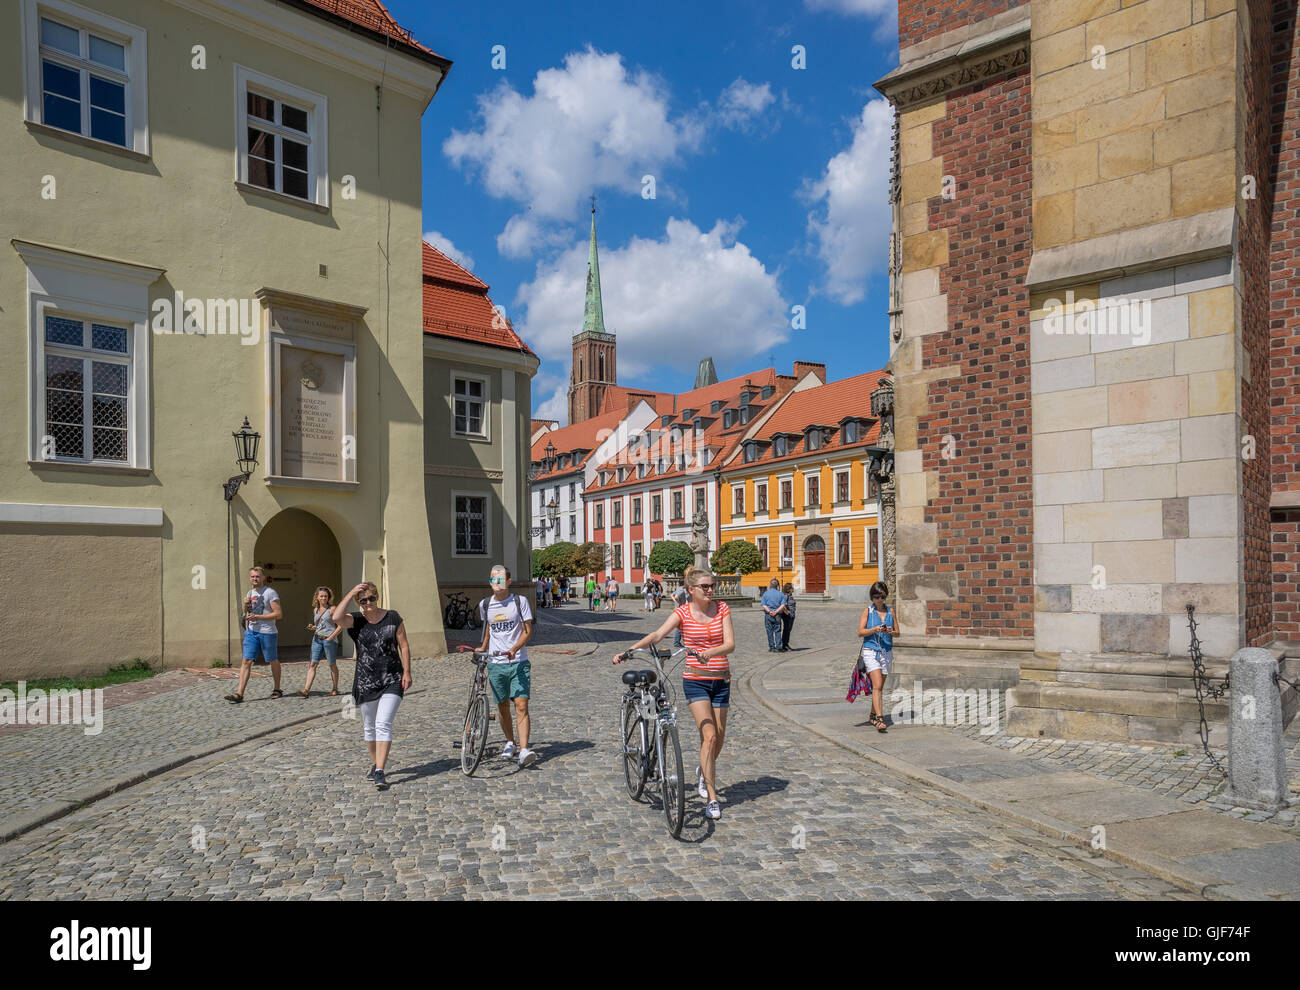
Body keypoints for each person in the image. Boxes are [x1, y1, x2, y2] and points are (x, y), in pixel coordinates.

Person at [614, 565, 734, 822]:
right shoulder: (682, 613)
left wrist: (709, 653)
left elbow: (729, 644)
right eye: (705, 586)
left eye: (712, 585)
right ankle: (712, 797)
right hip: (696, 680)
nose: (710, 589)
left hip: (721, 679)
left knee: (719, 738)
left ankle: (704, 771)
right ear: (690, 590)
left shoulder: (722, 608)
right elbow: (657, 635)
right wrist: (629, 650)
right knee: (709, 736)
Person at [332, 581, 412, 790]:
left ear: (378, 597)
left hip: (392, 679)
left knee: (383, 723)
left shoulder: (393, 617)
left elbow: (403, 645)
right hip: (366, 681)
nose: (368, 603)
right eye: (364, 600)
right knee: (369, 727)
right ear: (359, 602)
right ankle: (375, 762)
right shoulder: (356, 620)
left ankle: (379, 770)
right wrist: (352, 592)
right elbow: (336, 617)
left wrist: (407, 671)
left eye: (371, 598)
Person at [477, 565, 537, 767]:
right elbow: (488, 630)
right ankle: (510, 742)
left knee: (521, 705)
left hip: (518, 662)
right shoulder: (485, 605)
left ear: (509, 581)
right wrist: (483, 647)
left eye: (500, 579)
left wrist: (514, 648)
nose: (497, 583)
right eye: (493, 579)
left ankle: (524, 749)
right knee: (502, 706)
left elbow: (527, 631)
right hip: (496, 664)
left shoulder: (520, 602)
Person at [225, 566, 283, 703]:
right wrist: (245, 605)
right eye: (252, 576)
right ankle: (239, 694)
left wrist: (258, 617)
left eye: (257, 576)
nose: (255, 579)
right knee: (246, 661)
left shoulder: (270, 593)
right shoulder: (250, 593)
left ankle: (277, 688)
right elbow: (247, 613)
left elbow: (279, 614)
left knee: (272, 660)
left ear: (263, 577)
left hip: (268, 632)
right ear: (250, 578)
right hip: (251, 632)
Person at [858, 581, 899, 733]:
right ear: (872, 597)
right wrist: (875, 629)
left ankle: (873, 714)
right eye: (876, 597)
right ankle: (880, 720)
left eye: (882, 597)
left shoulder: (890, 611)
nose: (880, 600)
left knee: (879, 686)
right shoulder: (867, 611)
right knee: (877, 686)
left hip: (886, 652)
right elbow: (860, 632)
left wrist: (890, 631)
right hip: (871, 652)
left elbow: (898, 632)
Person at [299, 586, 342, 697]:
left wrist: (331, 637)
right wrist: (313, 627)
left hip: (329, 640)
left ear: (329, 597)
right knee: (313, 664)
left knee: (332, 664)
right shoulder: (315, 610)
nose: (323, 598)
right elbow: (320, 626)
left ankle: (335, 689)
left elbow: (341, 625)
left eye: (325, 596)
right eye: (321, 596)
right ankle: (306, 690)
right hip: (317, 639)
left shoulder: (332, 609)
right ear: (317, 597)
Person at [760, 578, 787, 652]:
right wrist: (776, 611)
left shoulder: (766, 593)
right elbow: (783, 605)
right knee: (777, 631)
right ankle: (779, 646)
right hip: (777, 615)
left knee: (769, 631)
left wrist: (769, 611)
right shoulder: (781, 594)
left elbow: (763, 604)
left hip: (768, 615)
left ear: (770, 585)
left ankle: (772, 647)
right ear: (777, 585)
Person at [780, 582, 797, 652]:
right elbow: (783, 605)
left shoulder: (790, 596)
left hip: (791, 615)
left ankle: (785, 644)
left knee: (788, 630)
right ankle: (784, 645)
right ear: (788, 589)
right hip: (788, 616)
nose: (793, 589)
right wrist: (788, 613)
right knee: (786, 630)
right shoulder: (786, 596)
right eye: (792, 588)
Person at [671, 581, 689, 648]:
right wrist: (680, 603)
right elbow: (676, 597)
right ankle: (676, 642)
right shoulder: (681, 590)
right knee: (680, 626)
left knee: (681, 626)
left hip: (678, 609)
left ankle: (678, 642)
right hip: (681, 609)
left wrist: (675, 602)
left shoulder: (678, 589)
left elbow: (672, 595)